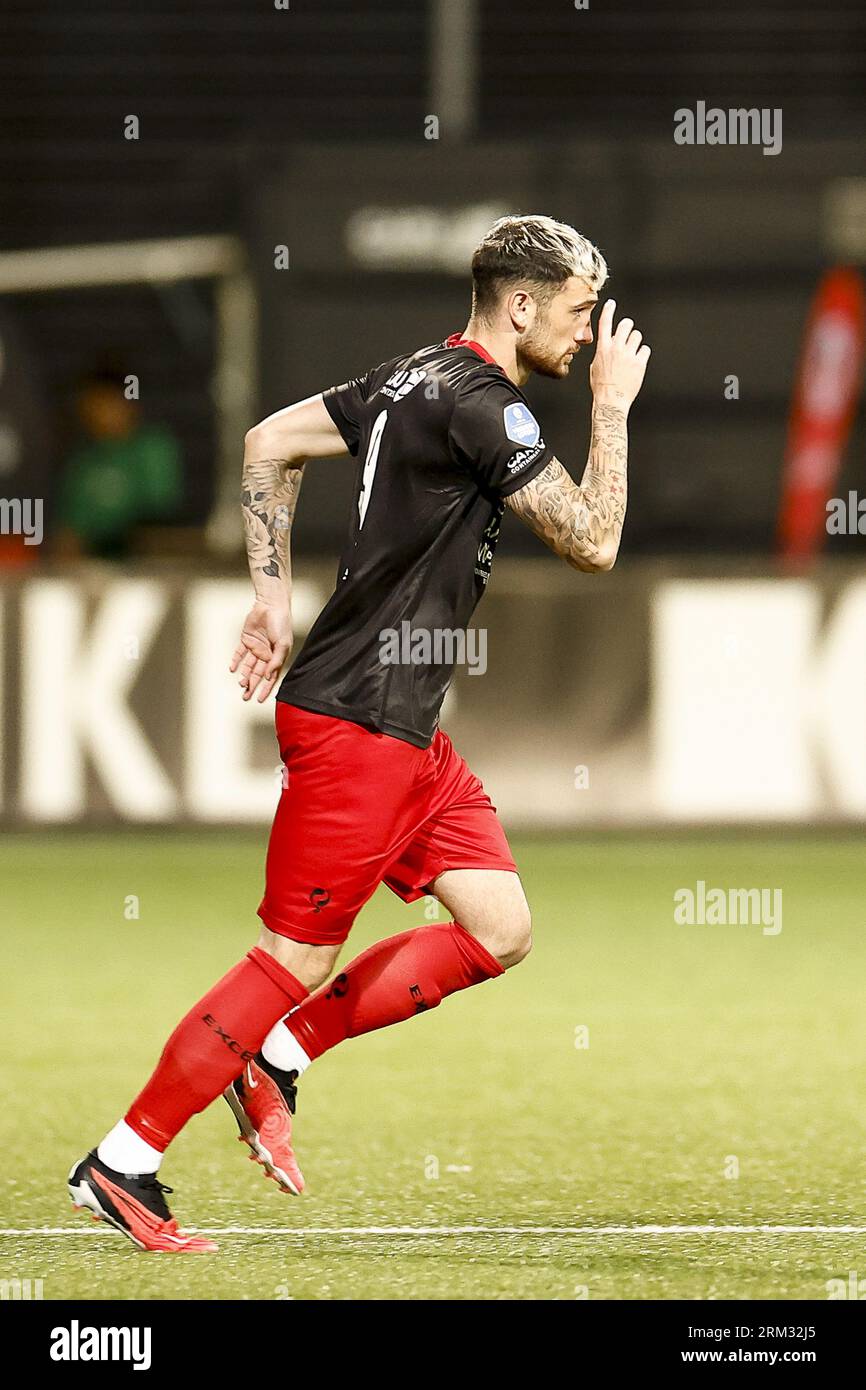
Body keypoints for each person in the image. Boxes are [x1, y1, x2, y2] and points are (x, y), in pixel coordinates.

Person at [68, 214, 650, 1252]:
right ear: (519, 305)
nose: (587, 332)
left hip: (402, 725)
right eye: (574, 311)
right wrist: (608, 409)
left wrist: (268, 597)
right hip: (360, 723)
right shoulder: (486, 408)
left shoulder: (407, 376)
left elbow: (267, 443)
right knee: (289, 952)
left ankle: (278, 1054)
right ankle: (126, 1158)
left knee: (499, 926)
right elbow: (595, 543)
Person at [55, 367, 182, 559]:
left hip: (150, 564)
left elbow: (160, 513)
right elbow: (70, 531)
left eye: (105, 402)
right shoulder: (83, 462)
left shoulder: (153, 448)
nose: (97, 413)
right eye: (92, 404)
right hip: (94, 571)